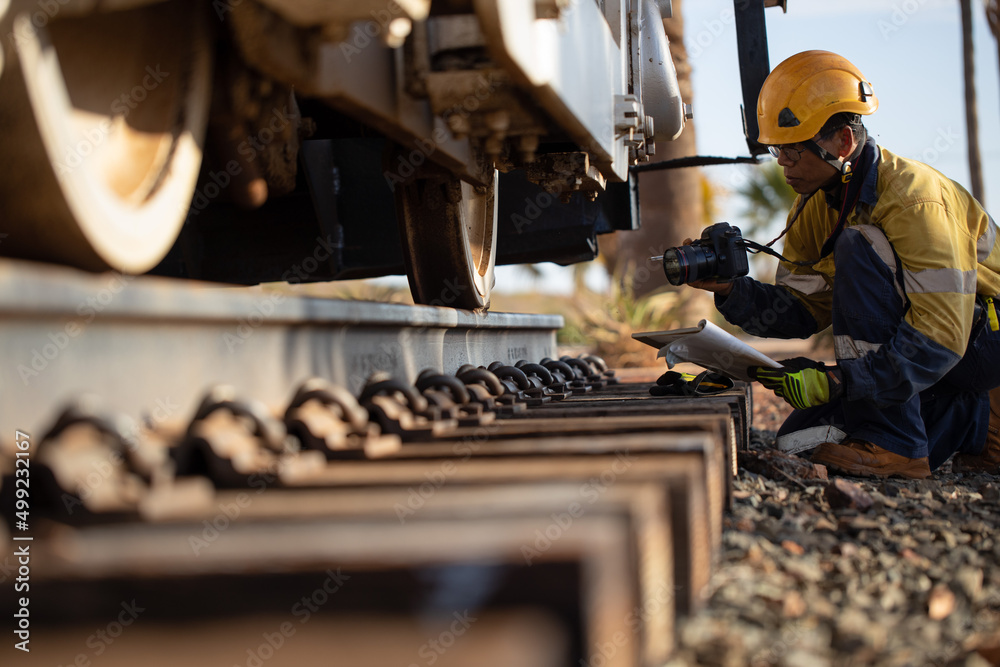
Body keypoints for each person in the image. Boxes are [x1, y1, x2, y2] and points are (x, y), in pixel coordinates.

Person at [689, 50, 1000, 479]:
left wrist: (840, 382)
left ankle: (897, 445)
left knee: (857, 245)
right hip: (946, 354)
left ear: (843, 143)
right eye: (778, 151)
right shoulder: (817, 203)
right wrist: (729, 289)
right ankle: (981, 423)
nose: (783, 164)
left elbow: (942, 335)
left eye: (793, 152)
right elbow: (802, 308)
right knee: (803, 438)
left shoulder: (915, 199)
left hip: (980, 342)